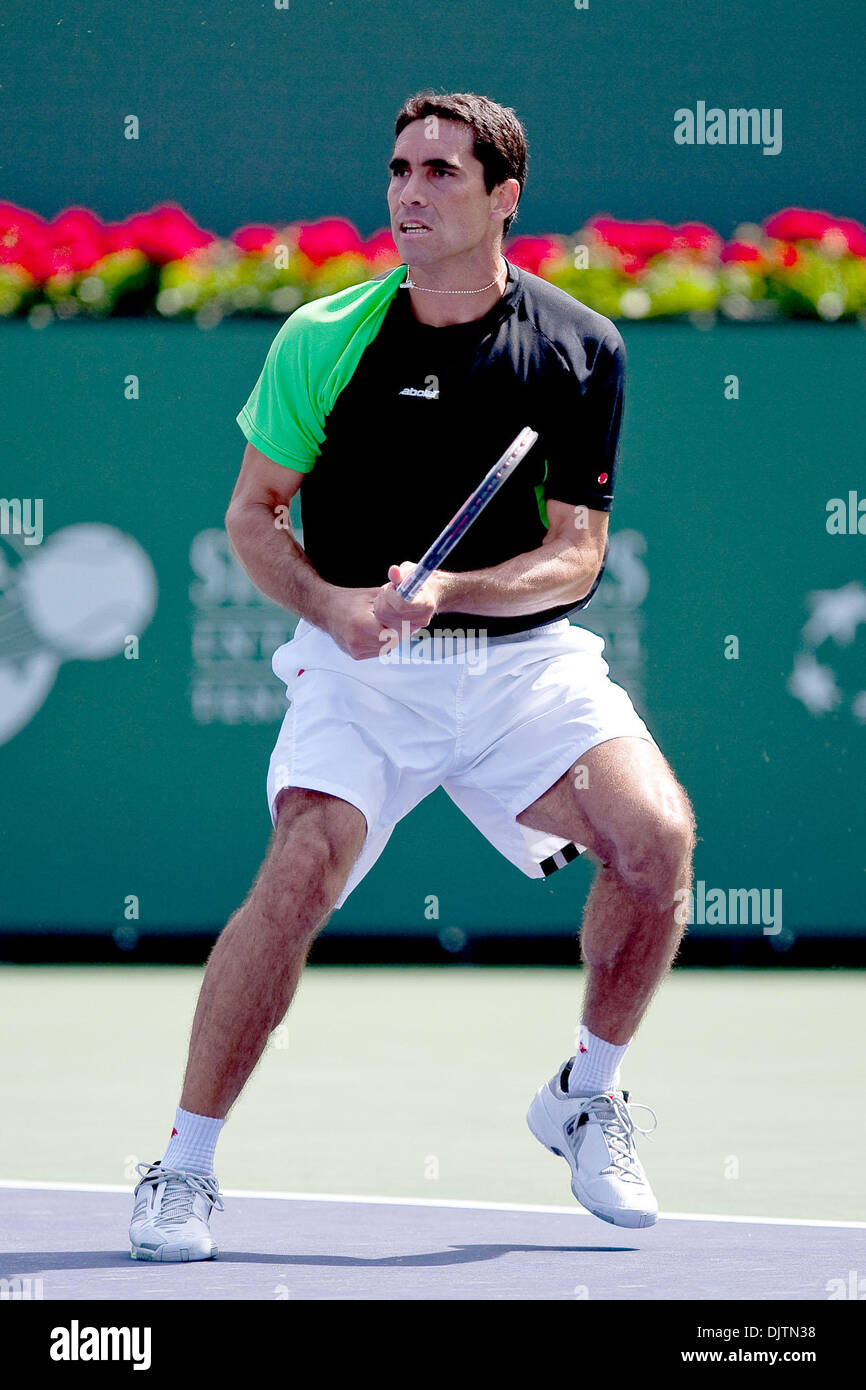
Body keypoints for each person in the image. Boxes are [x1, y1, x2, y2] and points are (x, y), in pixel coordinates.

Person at [129, 89, 695, 1262]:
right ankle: (181, 1166)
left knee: (655, 842)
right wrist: (335, 606)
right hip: (358, 676)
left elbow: (575, 554)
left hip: (519, 667)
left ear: (503, 198)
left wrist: (452, 591)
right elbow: (251, 515)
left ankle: (585, 1093)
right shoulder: (323, 336)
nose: (408, 192)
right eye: (398, 169)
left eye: (441, 172)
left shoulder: (579, 347)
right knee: (296, 874)